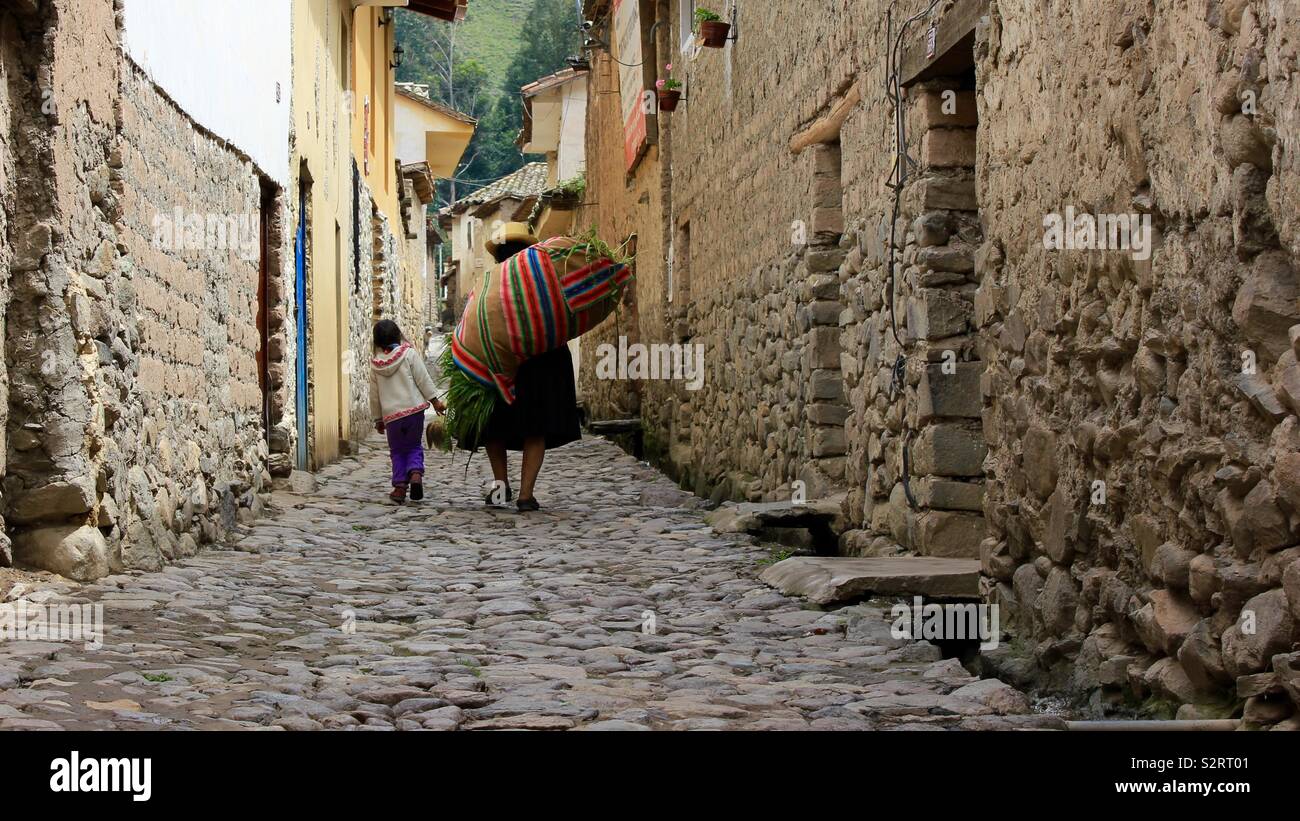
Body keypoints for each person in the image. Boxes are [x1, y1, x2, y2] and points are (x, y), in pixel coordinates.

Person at [475, 223, 581, 512]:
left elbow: (476, 323)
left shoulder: (489, 283)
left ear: (498, 255)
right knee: (537, 426)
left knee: (494, 426)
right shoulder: (546, 279)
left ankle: (500, 487)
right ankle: (525, 495)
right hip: (544, 362)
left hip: (500, 363)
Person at [369, 319, 445, 504]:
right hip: (413, 412)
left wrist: (378, 419)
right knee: (413, 445)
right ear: (398, 335)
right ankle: (416, 474)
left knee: (397, 450)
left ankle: (400, 487)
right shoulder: (409, 354)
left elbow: (374, 395)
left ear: (377, 342)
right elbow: (423, 379)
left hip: (392, 417)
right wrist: (435, 401)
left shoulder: (376, 365)